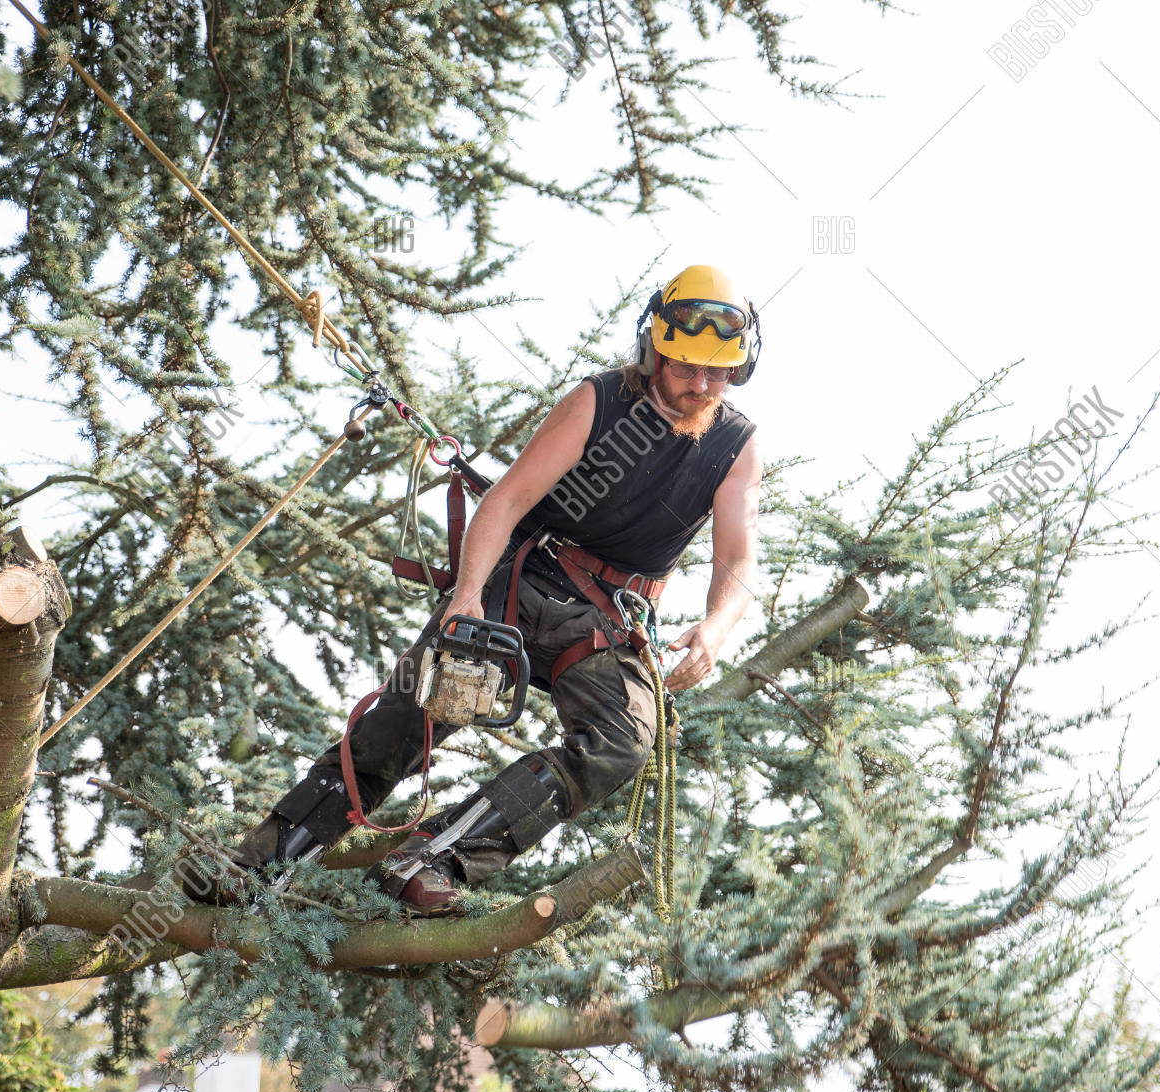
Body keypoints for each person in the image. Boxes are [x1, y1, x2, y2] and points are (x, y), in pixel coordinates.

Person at [188, 264, 764, 916]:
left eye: (718, 372)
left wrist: (714, 629)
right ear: (656, 350)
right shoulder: (598, 400)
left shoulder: (736, 446)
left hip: (603, 625)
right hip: (516, 584)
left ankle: (431, 859)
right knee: (404, 721)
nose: (701, 384)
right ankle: (256, 865)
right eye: (687, 367)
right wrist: (465, 597)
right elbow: (506, 501)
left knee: (622, 743)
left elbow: (738, 563)